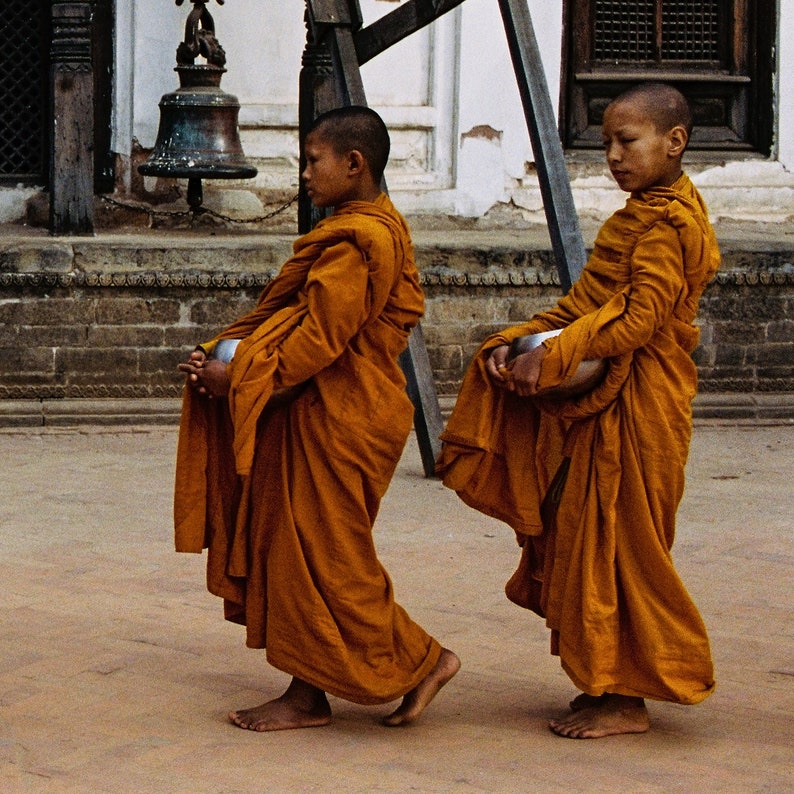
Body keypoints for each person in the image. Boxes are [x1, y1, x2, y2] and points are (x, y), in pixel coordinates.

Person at [437, 83, 718, 739]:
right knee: (581, 531)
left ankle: (629, 696)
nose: (614, 156)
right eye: (607, 144)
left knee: (626, 546)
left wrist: (560, 353)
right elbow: (587, 307)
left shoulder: (674, 223)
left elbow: (639, 318)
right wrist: (519, 340)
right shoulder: (634, 217)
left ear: (674, 141)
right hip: (608, 403)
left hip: (644, 406)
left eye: (628, 141)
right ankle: (605, 682)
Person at [174, 105, 459, 732]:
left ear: (354, 164)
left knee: (331, 557)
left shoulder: (360, 242)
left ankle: (423, 659)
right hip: (320, 413)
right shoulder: (361, 230)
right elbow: (299, 326)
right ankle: (307, 691)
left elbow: (317, 343)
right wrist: (238, 350)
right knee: (295, 550)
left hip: (342, 418)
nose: (304, 174)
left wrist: (239, 377)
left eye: (312, 160)